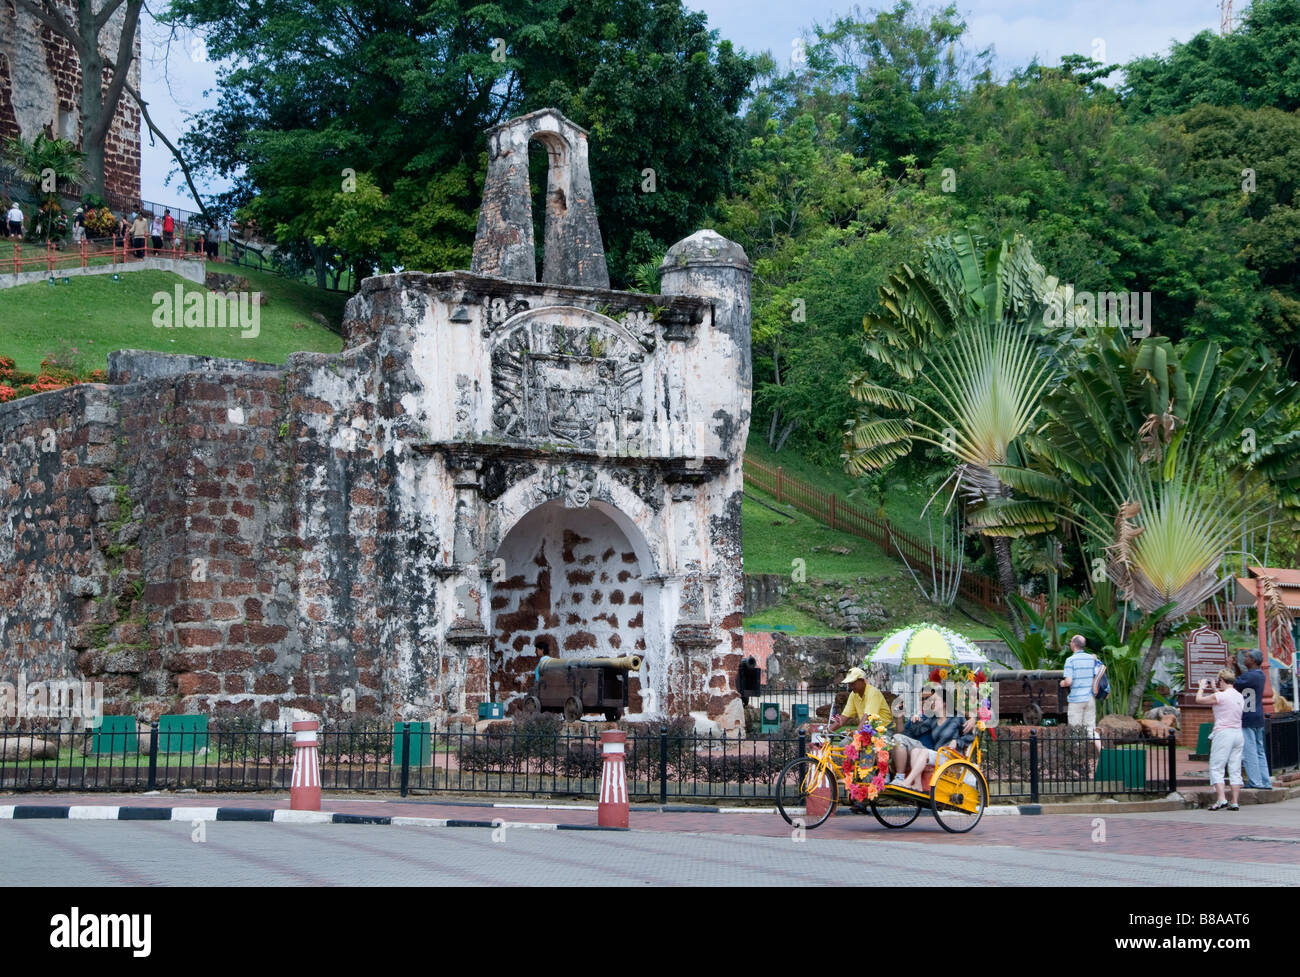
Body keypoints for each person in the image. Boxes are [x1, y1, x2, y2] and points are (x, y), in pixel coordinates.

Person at [1197, 667, 1245, 810]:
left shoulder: (1221, 696)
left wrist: (1201, 687)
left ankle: (1221, 798)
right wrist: (1214, 688)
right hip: (1238, 734)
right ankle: (1235, 801)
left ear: (1222, 680)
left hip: (1223, 733)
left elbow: (1199, 700)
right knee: (1235, 768)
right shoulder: (1239, 696)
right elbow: (1223, 698)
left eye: (1219, 682)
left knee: (1217, 767)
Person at [1061, 634, 1105, 754]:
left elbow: (1069, 681)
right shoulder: (1091, 659)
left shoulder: (1070, 660)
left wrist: (1062, 683)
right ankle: (1102, 753)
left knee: (1075, 731)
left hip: (1076, 699)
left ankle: (1077, 758)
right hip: (1090, 698)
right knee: (1091, 730)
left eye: (1071, 641)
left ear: (1074, 645)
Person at [1234, 650, 1272, 790]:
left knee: (1249, 751)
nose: (1245, 658)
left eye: (1248, 657)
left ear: (1254, 661)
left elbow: (1231, 682)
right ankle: (1265, 781)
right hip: (1258, 717)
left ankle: (1255, 782)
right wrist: (1236, 667)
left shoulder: (1249, 677)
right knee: (1260, 751)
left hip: (1247, 718)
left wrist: (1228, 666)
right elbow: (1241, 679)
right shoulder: (1259, 675)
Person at [829, 666, 890, 737]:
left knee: (858, 745)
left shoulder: (873, 692)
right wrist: (828, 730)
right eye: (849, 683)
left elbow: (867, 716)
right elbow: (844, 717)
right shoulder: (853, 695)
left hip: (885, 729)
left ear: (862, 680)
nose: (851, 686)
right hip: (868, 728)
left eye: (853, 683)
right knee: (844, 744)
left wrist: (857, 733)